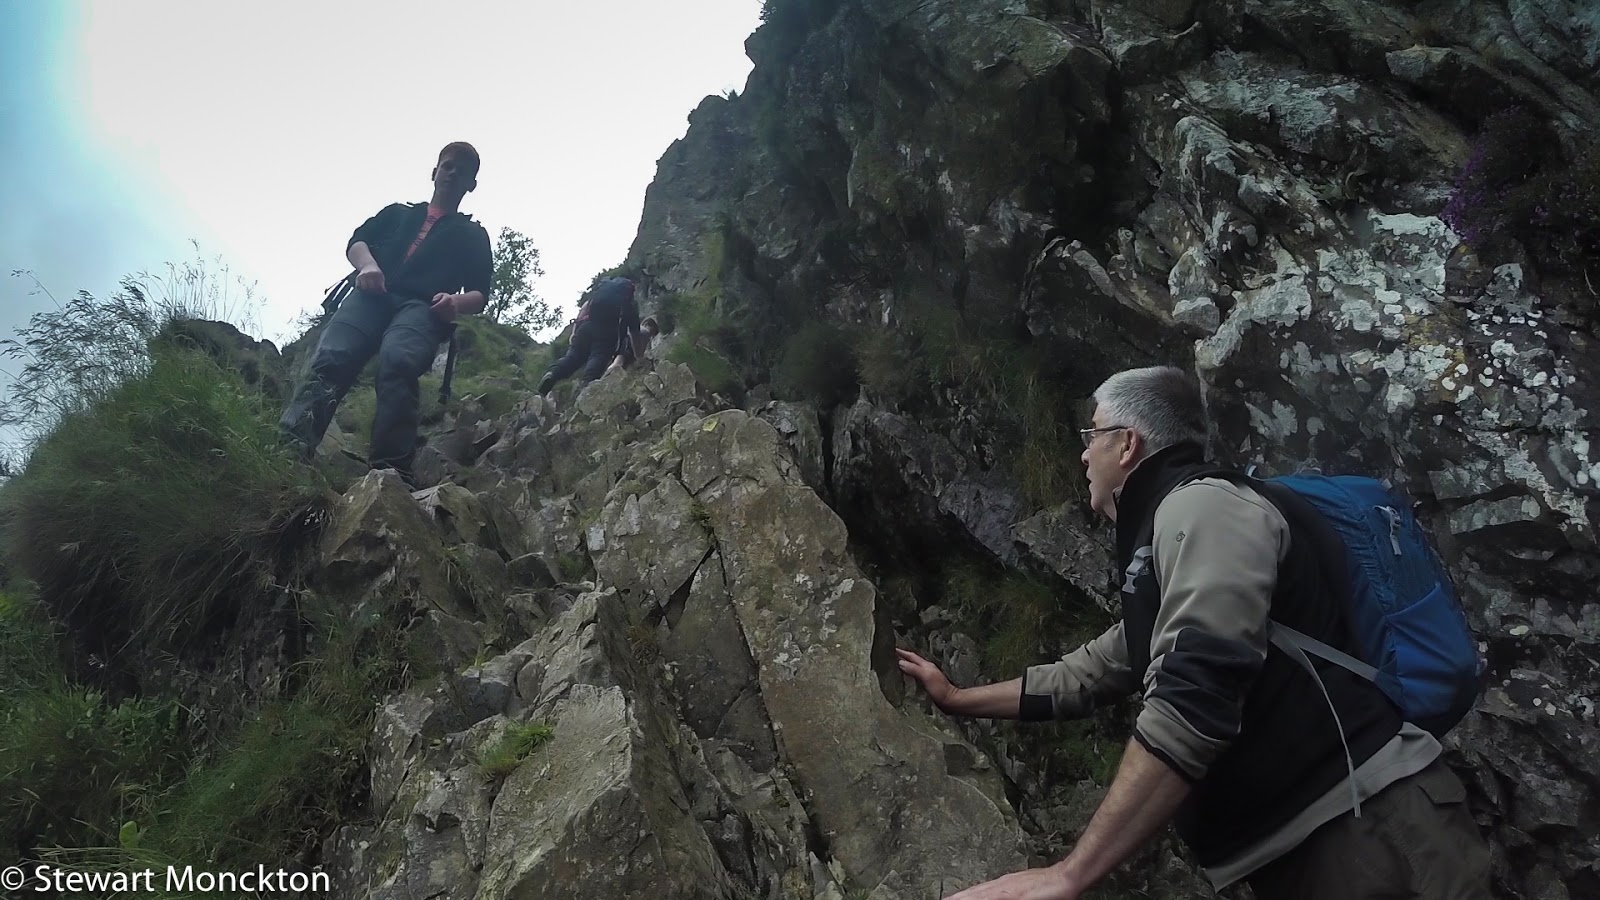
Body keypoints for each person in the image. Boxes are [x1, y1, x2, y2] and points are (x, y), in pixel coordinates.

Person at [898, 366, 1492, 900]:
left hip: (1371, 831)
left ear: (1128, 444)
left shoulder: (1204, 509)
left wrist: (1070, 874)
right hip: (1330, 838)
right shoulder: (1170, 539)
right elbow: (1092, 673)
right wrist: (957, 699)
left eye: (1092, 436)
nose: (1083, 456)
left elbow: (1196, 690)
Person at [279, 142, 493, 483]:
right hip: (371, 293)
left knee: (399, 362)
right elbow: (357, 241)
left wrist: (455, 303)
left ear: (471, 184)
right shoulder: (398, 213)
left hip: (423, 308)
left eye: (462, 170)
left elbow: (481, 292)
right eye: (448, 165)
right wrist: (367, 268)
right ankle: (289, 450)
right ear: (434, 172)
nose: (452, 172)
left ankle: (388, 474)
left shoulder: (472, 235)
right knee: (333, 357)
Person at [537, 276, 647, 395]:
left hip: (586, 328)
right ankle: (587, 387)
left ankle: (553, 373)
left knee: (572, 357)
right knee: (597, 358)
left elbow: (584, 308)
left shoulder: (601, 293)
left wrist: (574, 332)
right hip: (607, 334)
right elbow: (635, 336)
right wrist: (640, 358)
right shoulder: (629, 306)